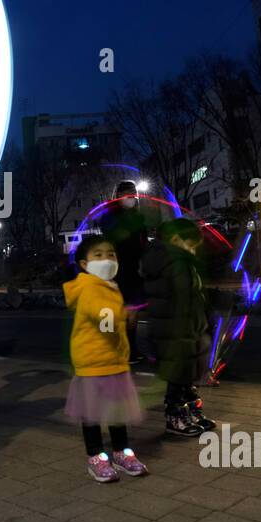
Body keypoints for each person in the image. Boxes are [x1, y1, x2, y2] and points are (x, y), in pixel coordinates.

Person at [63, 235, 148, 482]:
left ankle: (121, 452)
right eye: (98, 255)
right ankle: (96, 457)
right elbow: (105, 320)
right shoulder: (89, 287)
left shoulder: (110, 286)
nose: (106, 259)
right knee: (92, 415)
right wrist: (125, 315)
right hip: (94, 362)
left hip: (113, 361)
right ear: (84, 264)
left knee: (116, 411)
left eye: (111, 254)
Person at [141, 218, 215, 437]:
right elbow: (182, 295)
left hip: (186, 327)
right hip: (174, 329)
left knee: (187, 374)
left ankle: (191, 411)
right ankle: (175, 418)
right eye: (190, 245)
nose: (193, 250)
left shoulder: (178, 262)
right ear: (175, 240)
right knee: (178, 376)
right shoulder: (172, 263)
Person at [96, 180, 149, 364]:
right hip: (116, 271)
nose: (131, 198)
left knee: (132, 312)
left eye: (133, 194)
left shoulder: (138, 217)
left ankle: (130, 350)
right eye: (127, 194)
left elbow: (142, 242)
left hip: (134, 271)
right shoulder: (110, 217)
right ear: (118, 196)